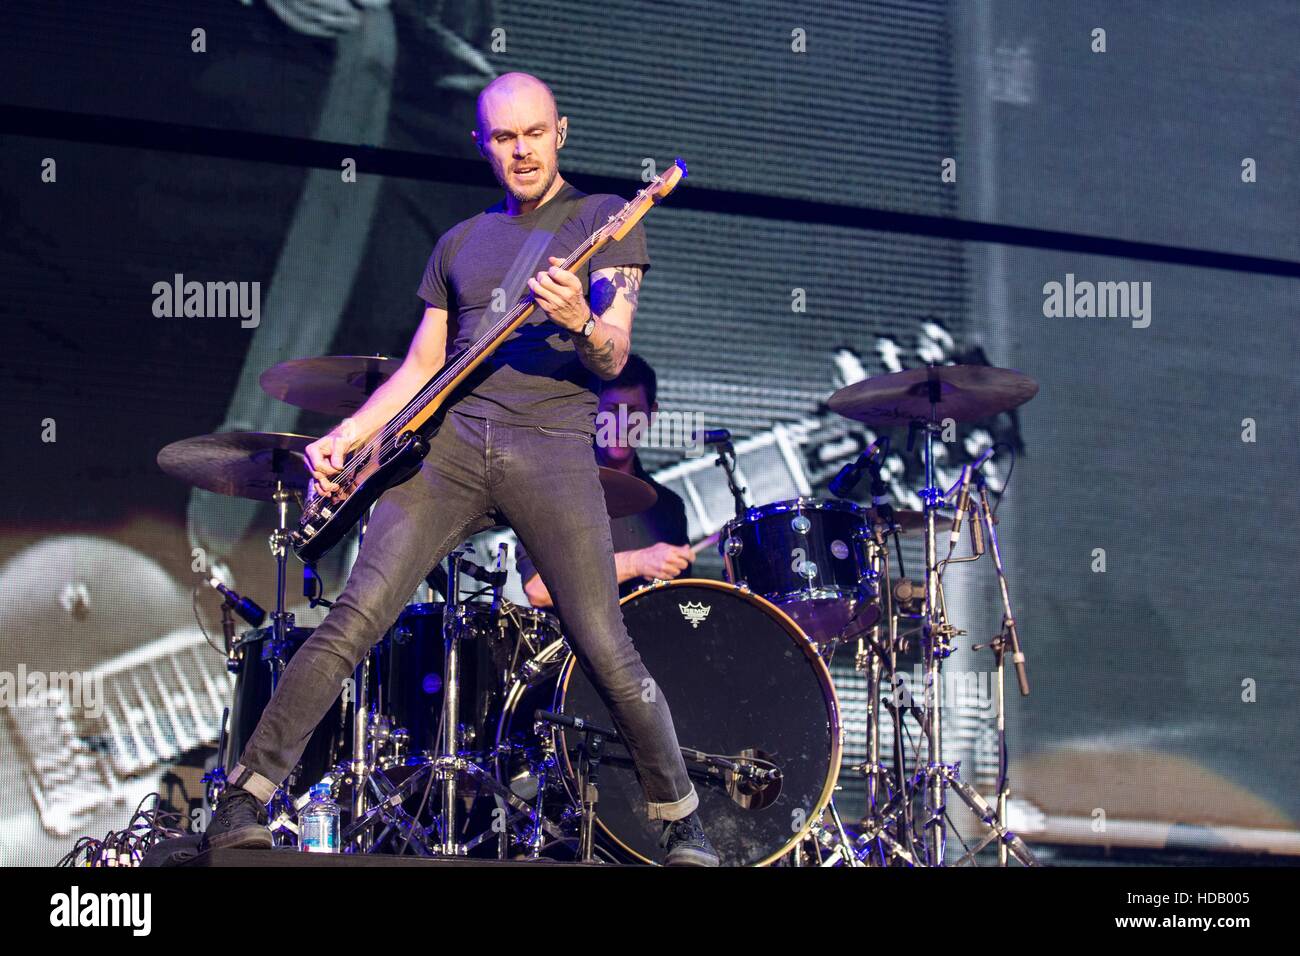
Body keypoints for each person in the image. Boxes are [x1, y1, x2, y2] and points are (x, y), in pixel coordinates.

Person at [201, 71, 719, 866]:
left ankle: (681, 820)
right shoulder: (459, 243)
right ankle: (244, 797)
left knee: (603, 643)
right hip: (447, 452)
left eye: (535, 133)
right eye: (504, 137)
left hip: (551, 450)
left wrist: (580, 319)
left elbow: (614, 350)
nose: (522, 150)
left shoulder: (607, 223)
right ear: (483, 144)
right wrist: (347, 435)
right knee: (353, 619)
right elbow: (418, 370)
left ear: (561, 132)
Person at [516, 354, 696, 607]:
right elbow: (538, 589)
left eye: (633, 412)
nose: (622, 425)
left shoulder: (669, 506)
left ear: (651, 416)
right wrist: (635, 563)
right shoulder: (553, 491)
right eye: (612, 411)